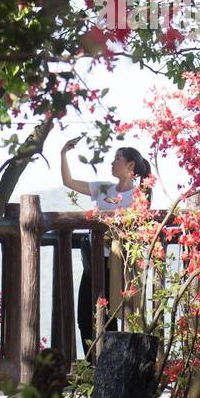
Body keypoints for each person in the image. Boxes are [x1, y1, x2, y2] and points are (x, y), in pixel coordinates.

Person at [59, 137, 152, 351]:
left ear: (130, 166)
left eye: (117, 159)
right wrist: (63, 154)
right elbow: (69, 182)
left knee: (109, 318)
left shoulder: (139, 196)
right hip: (93, 260)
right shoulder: (104, 188)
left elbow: (134, 225)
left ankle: (108, 367)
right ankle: (92, 368)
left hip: (116, 262)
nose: (112, 162)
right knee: (84, 317)